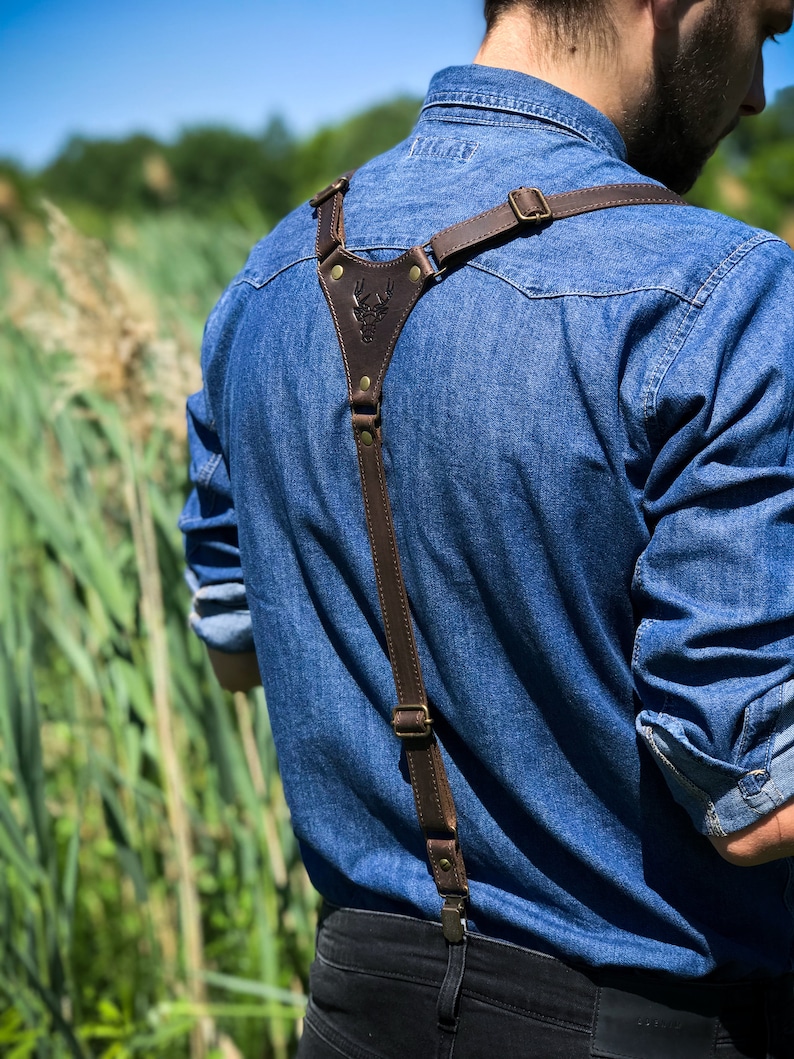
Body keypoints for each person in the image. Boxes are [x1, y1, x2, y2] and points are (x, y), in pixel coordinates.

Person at [179, 0, 794, 1054]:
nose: (753, 92)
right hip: (658, 1025)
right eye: (764, 27)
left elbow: (236, 649)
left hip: (355, 1018)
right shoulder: (726, 296)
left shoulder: (264, 280)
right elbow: (756, 798)